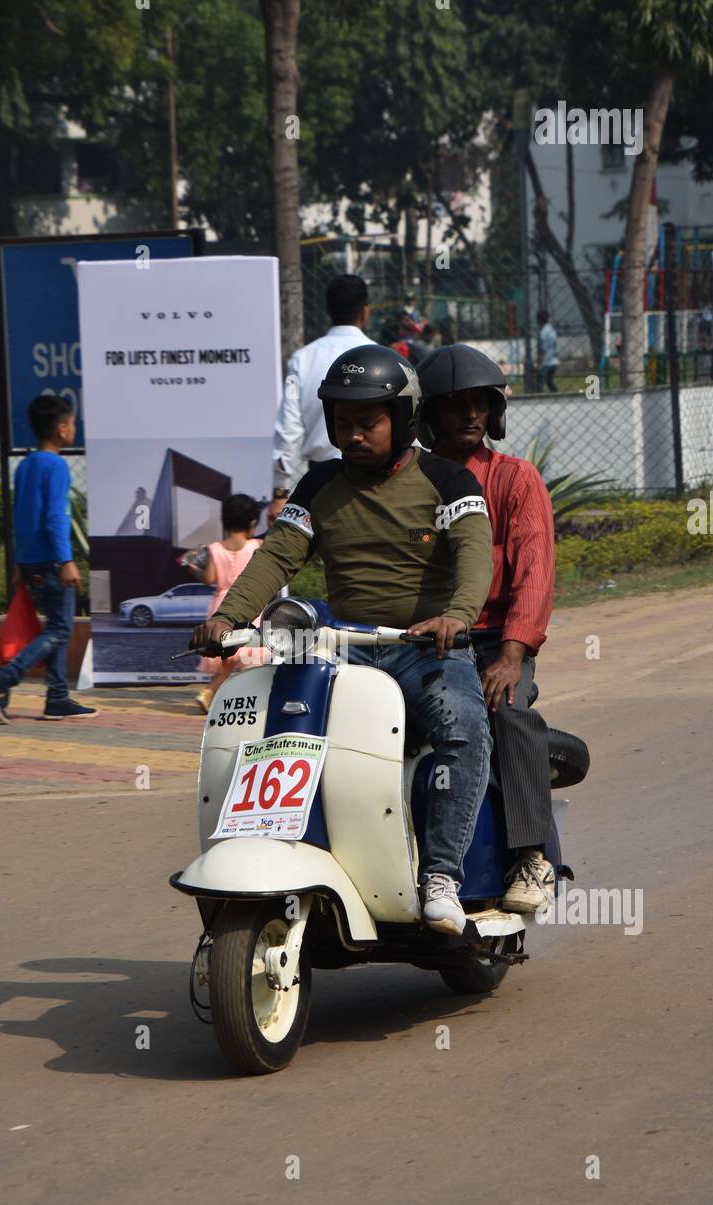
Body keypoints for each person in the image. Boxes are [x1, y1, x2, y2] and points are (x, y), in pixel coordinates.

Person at [192, 344, 494, 935]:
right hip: (340, 648)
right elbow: (276, 555)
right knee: (271, 728)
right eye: (342, 423)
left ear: (404, 420)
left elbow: (475, 554)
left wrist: (456, 616)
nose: (352, 435)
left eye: (367, 423)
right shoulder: (318, 484)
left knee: (461, 728)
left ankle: (440, 876)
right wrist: (228, 619)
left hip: (424, 648)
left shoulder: (447, 479)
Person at [417, 343, 555, 914]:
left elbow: (535, 573)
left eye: (481, 404)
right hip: (426, 641)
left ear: (494, 412)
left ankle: (531, 857)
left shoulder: (516, 480)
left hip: (497, 638)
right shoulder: (410, 483)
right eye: (456, 405)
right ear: (429, 414)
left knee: (510, 711)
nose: (471, 415)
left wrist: (514, 654)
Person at [0, 395, 96, 723]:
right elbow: (56, 517)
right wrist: (66, 560)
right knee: (59, 628)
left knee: (56, 628)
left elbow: (21, 516)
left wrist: (19, 563)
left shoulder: (27, 465)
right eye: (72, 423)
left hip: (31, 560)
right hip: (51, 561)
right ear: (61, 429)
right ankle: (5, 678)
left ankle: (57, 698)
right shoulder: (56, 465)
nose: (75, 428)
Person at [272, 273, 373, 490]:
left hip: (321, 480)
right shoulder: (380, 357)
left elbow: (289, 428)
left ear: (327, 310)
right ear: (365, 311)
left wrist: (280, 488)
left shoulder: (302, 359)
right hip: (374, 476)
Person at [185, 493, 269, 715]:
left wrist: (195, 569)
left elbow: (210, 578)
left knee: (228, 657)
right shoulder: (257, 546)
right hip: (250, 603)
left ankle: (212, 693)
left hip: (221, 606)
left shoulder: (214, 548)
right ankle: (219, 695)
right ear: (252, 522)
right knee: (247, 656)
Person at [536, 309, 559, 392]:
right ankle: (557, 394)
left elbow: (542, 349)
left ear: (539, 320)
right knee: (549, 381)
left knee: (539, 383)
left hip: (545, 362)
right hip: (554, 360)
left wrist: (539, 363)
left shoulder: (542, 332)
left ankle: (540, 397)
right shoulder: (551, 330)